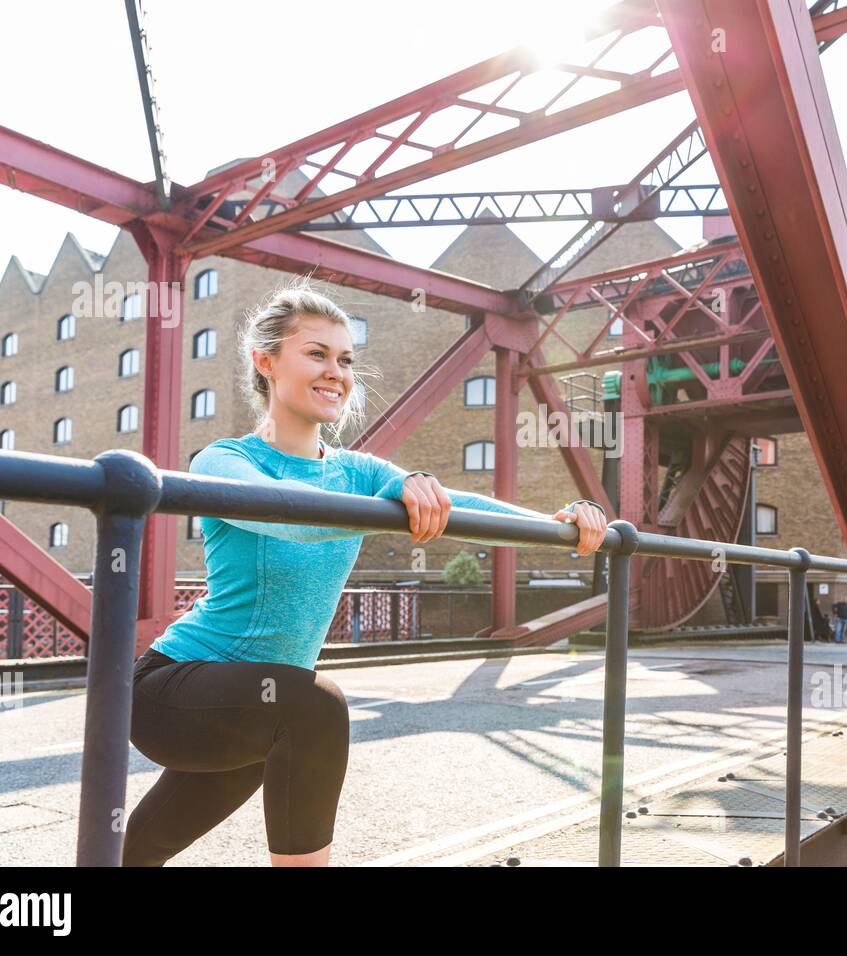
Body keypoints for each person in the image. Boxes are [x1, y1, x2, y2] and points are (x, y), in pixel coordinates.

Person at [122, 280, 608, 867]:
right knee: (316, 708)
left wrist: (560, 524)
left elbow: (458, 506)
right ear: (266, 362)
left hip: (264, 704)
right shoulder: (225, 461)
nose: (336, 371)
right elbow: (295, 520)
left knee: (144, 849)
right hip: (174, 690)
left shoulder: (357, 470)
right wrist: (389, 501)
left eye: (346, 359)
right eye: (317, 354)